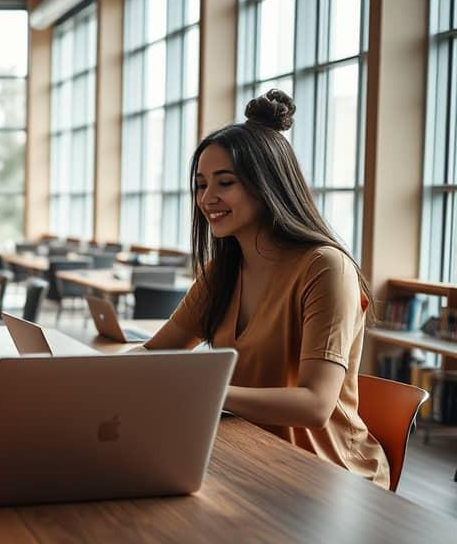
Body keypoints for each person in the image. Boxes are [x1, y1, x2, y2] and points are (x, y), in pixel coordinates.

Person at [143, 89, 390, 488]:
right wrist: (92, 372)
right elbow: (156, 352)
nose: (208, 199)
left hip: (326, 474)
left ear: (268, 186)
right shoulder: (219, 272)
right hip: (247, 453)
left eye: (225, 182)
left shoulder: (325, 268)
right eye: (201, 184)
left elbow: (315, 404)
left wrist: (206, 389)